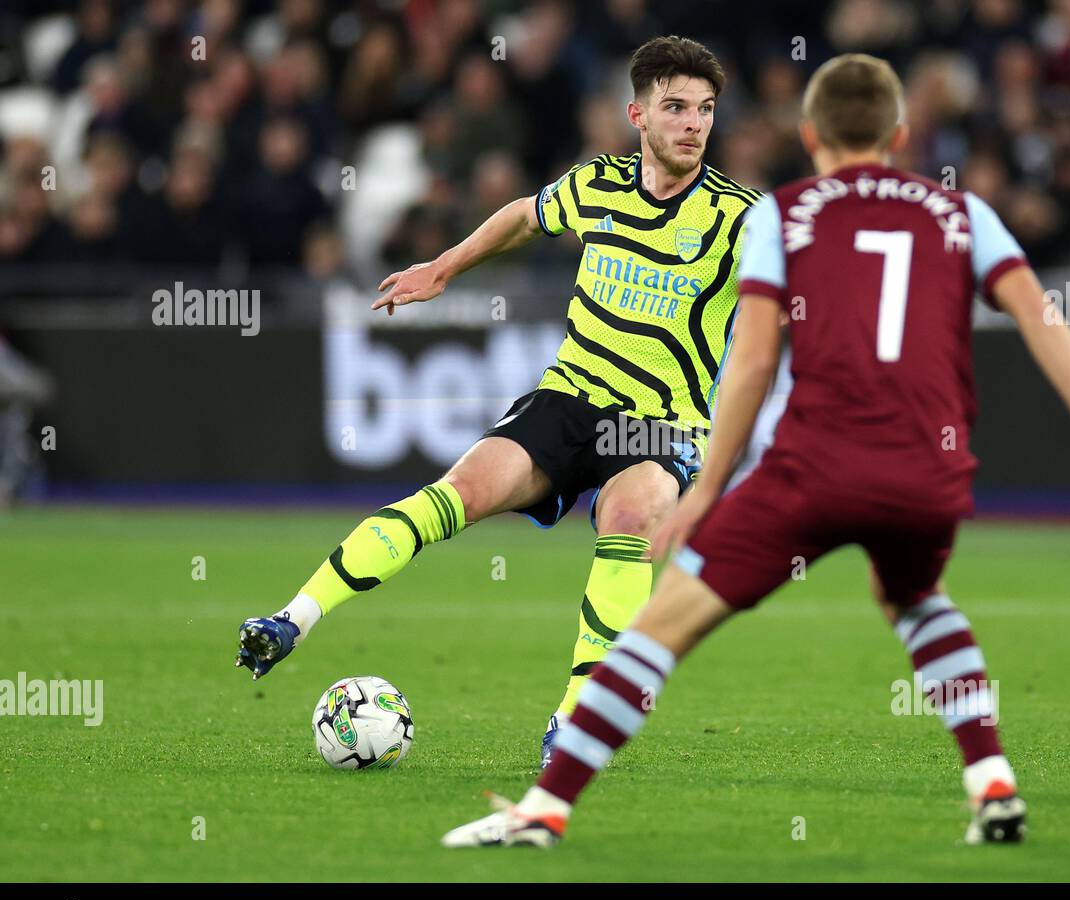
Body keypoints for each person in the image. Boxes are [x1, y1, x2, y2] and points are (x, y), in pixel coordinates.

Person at [442, 52, 1070, 849]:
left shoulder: (783, 215)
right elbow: (1039, 313)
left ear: (811, 135)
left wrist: (707, 490)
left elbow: (749, 366)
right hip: (929, 468)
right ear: (902, 132)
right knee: (916, 599)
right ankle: (991, 782)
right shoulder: (963, 213)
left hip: (816, 467)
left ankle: (543, 810)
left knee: (658, 628)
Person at [234, 36, 761, 769]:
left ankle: (576, 718)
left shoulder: (743, 218)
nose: (693, 124)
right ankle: (291, 619)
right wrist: (442, 267)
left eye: (705, 110)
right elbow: (522, 215)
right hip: (569, 395)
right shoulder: (597, 184)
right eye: (675, 107)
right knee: (459, 491)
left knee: (631, 515)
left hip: (660, 422)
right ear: (637, 114)